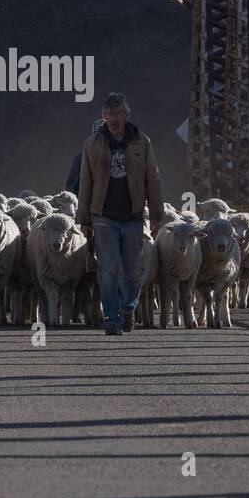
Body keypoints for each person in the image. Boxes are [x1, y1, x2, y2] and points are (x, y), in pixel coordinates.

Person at [76, 93, 164, 336]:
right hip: (104, 216)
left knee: (134, 271)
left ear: (126, 115)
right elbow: (86, 181)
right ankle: (112, 320)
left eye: (118, 114)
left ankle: (128, 308)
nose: (113, 119)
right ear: (104, 117)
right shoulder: (92, 143)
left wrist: (157, 213)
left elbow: (152, 178)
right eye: (109, 114)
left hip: (133, 215)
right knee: (107, 270)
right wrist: (84, 218)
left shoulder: (141, 141)